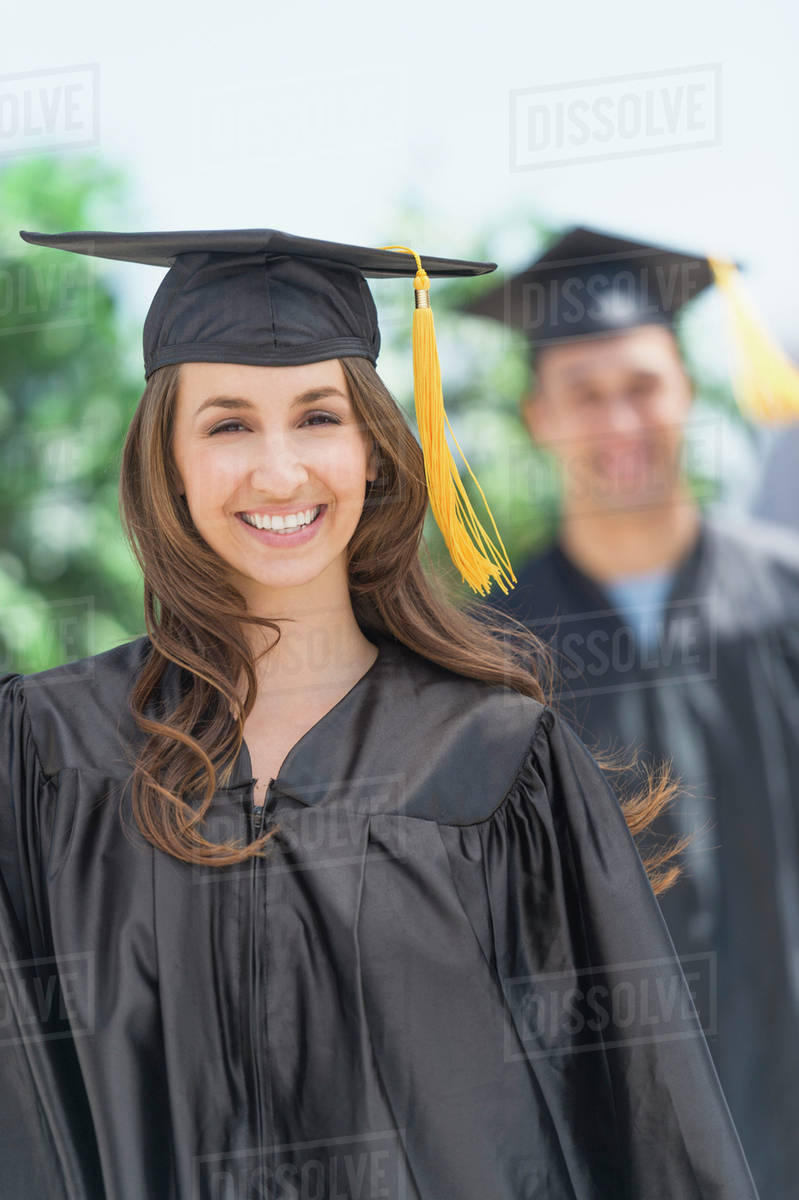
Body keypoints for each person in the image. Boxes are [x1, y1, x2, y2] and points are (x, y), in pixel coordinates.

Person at [0, 227, 758, 1200]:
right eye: (228, 424)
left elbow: (644, 1128)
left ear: (372, 450)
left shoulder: (497, 766)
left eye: (317, 416)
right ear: (169, 461)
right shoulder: (49, 754)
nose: (279, 472)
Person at [466, 223, 799, 1199]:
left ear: (687, 393)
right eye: (585, 394)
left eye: (643, 386)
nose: (620, 422)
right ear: (537, 415)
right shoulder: (488, 659)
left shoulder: (785, 606)